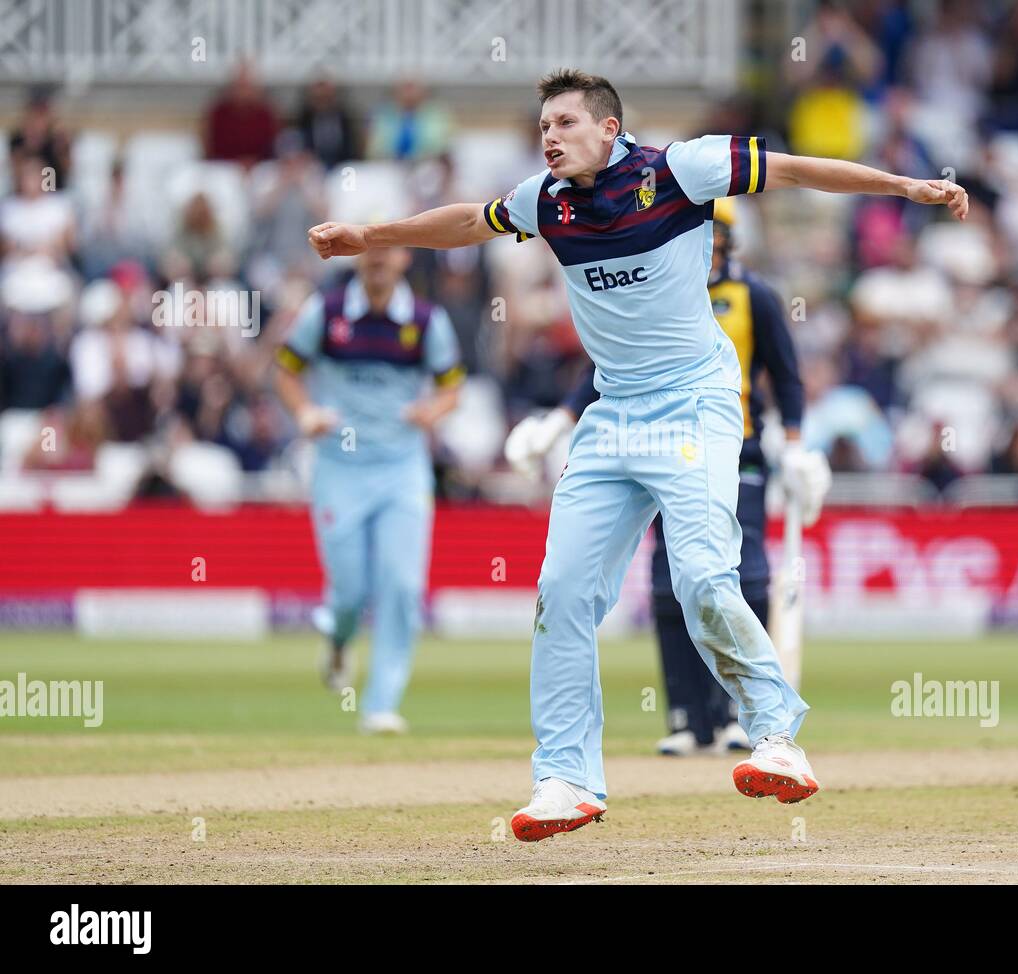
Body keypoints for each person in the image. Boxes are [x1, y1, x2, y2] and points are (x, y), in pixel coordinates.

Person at [306, 69, 968, 841]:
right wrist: (372, 237)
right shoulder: (544, 202)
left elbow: (790, 168)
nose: (548, 135)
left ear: (609, 128)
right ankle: (565, 780)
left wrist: (906, 187)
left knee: (701, 578)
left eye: (564, 122)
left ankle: (777, 737)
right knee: (561, 593)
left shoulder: (679, 170)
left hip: (695, 402)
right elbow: (465, 224)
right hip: (612, 413)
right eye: (542, 124)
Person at [504, 195, 830, 756]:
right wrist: (557, 422)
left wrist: (796, 444)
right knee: (667, 584)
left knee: (731, 575)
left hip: (734, 444)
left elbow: (787, 376)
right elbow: (607, 366)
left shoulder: (754, 296)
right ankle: (687, 718)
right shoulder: (657, 288)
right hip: (650, 443)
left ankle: (739, 717)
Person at [273, 245, 464, 735]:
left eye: (387, 249)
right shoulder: (328, 311)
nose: (377, 259)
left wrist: (432, 412)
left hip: (402, 468)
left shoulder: (424, 319)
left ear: (403, 258)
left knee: (402, 586)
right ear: (356, 258)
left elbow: (451, 386)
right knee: (350, 591)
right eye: (368, 249)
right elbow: (286, 368)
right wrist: (305, 413)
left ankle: (381, 704)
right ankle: (337, 639)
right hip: (340, 467)